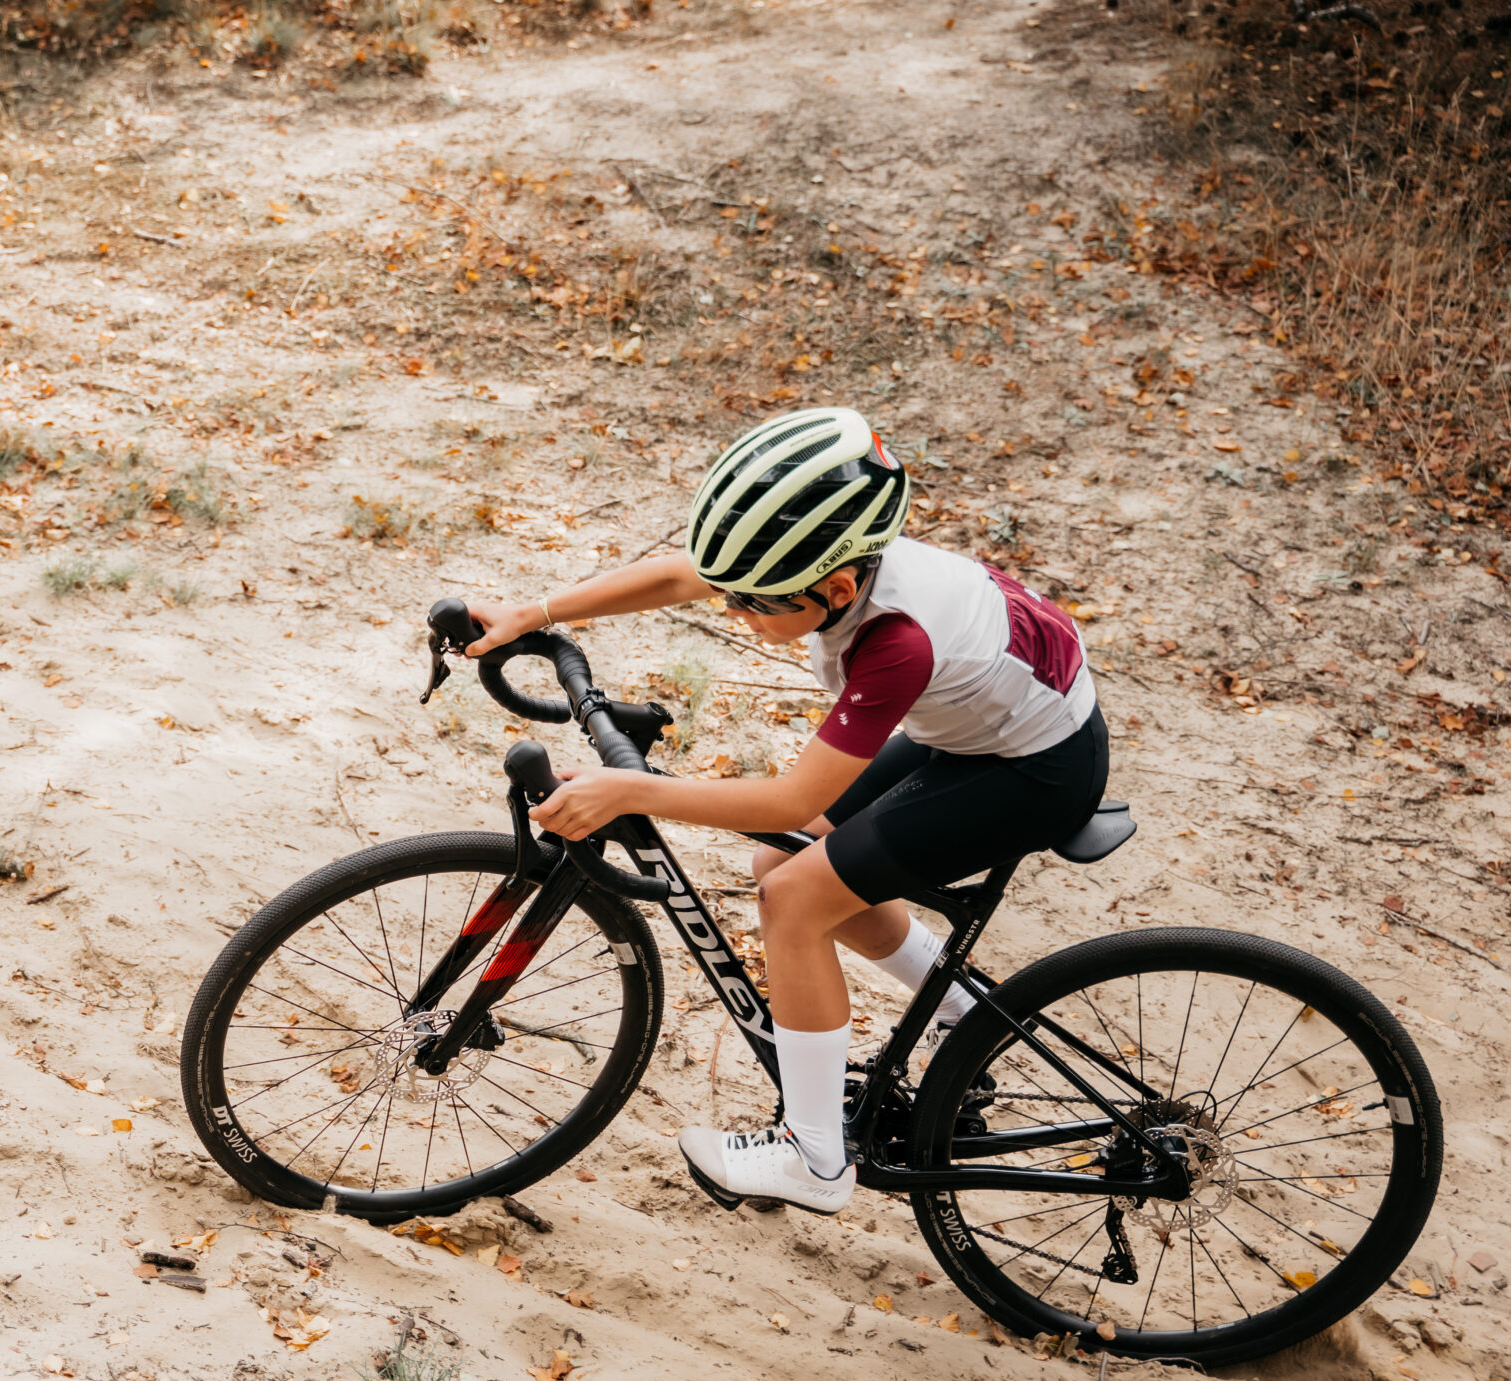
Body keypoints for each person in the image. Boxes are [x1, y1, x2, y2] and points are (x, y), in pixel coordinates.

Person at [461, 407, 1107, 1214]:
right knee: (782, 859)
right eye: (731, 598)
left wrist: (628, 789)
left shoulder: (895, 640)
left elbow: (796, 796)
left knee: (793, 898)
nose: (732, 611)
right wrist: (536, 612)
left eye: (750, 605)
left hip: (1035, 770)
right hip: (987, 732)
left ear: (837, 588)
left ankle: (813, 1159)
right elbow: (677, 575)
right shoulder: (821, 561)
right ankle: (965, 1013)